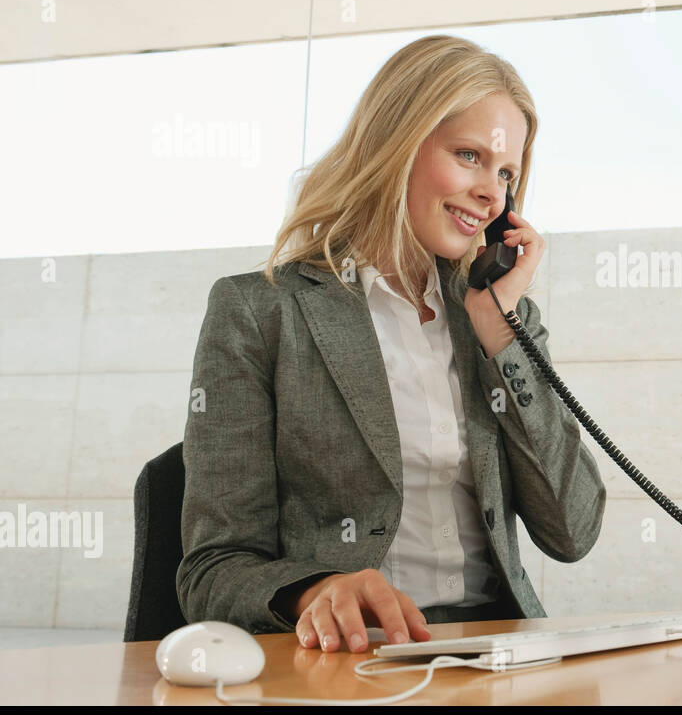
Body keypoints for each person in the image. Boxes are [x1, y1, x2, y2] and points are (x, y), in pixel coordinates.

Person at [176, 35, 607, 654]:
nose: (492, 192)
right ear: (396, 143)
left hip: (496, 652)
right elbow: (211, 572)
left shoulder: (500, 317)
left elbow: (574, 531)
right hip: (349, 658)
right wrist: (315, 591)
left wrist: (499, 338)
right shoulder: (262, 311)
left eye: (506, 172)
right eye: (468, 155)